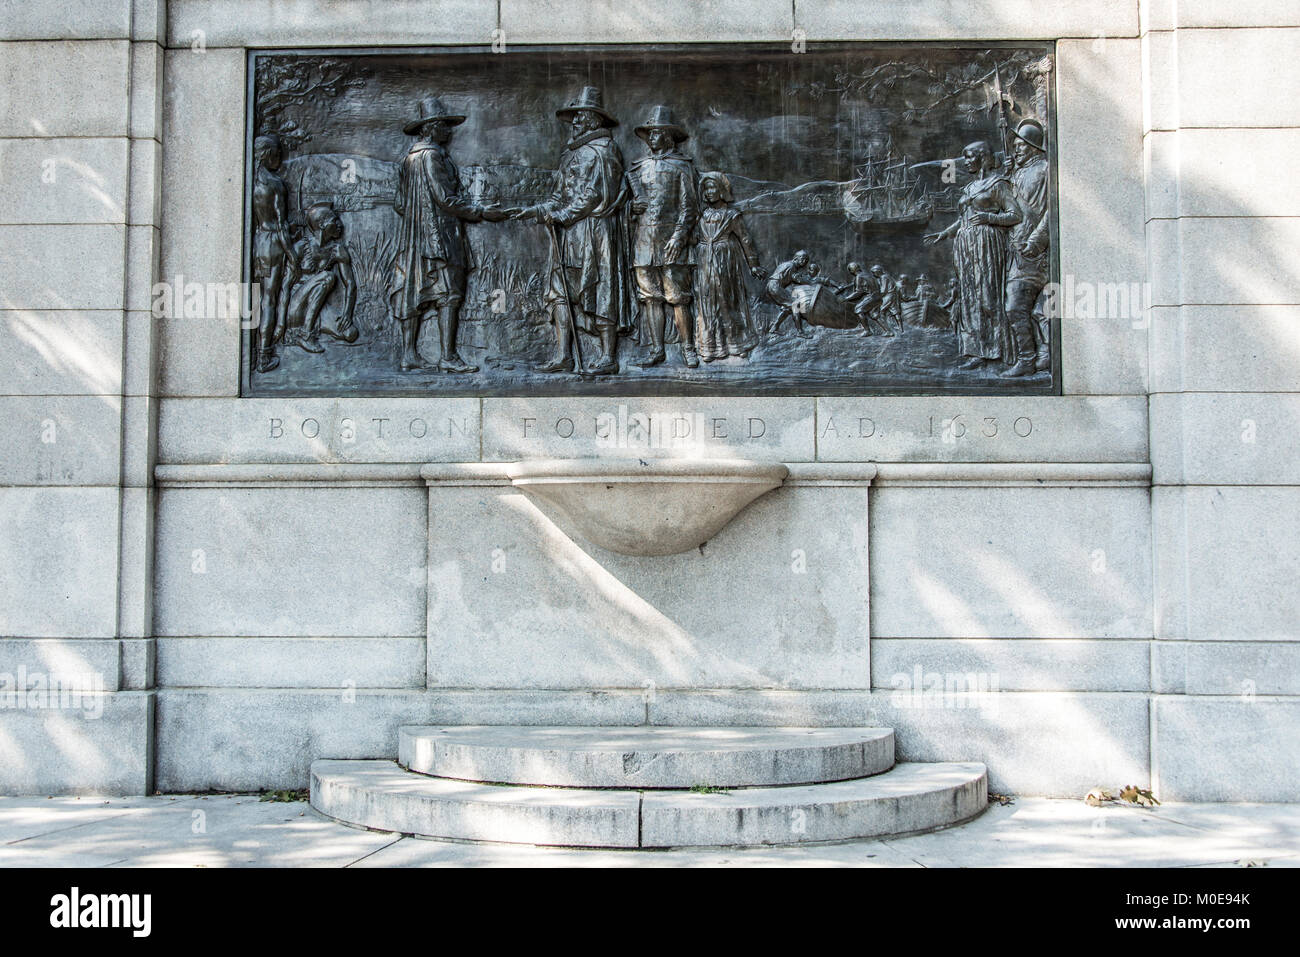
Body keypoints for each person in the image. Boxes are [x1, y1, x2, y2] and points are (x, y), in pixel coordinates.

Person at [516, 86, 633, 375]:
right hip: (569, 232)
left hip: (595, 231)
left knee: (602, 288)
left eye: (580, 117)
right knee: (560, 292)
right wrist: (540, 210)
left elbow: (592, 196)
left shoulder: (604, 151)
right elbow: (561, 194)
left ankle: (608, 357)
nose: (576, 123)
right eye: (575, 118)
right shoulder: (571, 154)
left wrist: (561, 214)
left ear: (594, 119)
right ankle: (562, 355)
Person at [389, 95, 508, 373]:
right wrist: (480, 211)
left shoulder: (409, 159)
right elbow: (446, 199)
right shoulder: (432, 156)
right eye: (444, 125)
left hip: (414, 238)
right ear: (430, 128)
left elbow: (399, 203)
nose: (449, 131)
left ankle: (409, 355)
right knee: (449, 295)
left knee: (412, 290)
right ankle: (447, 356)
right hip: (439, 237)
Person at [924, 140, 1022, 369]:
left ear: (983, 157)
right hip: (966, 246)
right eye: (965, 157)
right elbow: (964, 218)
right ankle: (976, 352)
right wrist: (945, 233)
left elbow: (1015, 215)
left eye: (970, 157)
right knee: (970, 299)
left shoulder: (998, 184)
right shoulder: (968, 188)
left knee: (988, 296)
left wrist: (991, 218)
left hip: (987, 245)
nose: (966, 161)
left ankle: (997, 351)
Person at [628, 105, 700, 368]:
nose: (651, 138)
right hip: (644, 242)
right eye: (649, 133)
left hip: (672, 243)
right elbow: (628, 209)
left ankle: (689, 348)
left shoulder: (682, 166)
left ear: (668, 136)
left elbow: (689, 206)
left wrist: (679, 238)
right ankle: (657, 349)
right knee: (650, 298)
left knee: (678, 296)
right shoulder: (637, 168)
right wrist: (631, 210)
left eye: (656, 133)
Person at [692, 171, 764, 361]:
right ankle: (710, 347)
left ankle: (737, 344)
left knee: (727, 303)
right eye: (705, 189)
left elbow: (745, 239)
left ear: (722, 190)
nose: (708, 192)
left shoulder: (731, 215)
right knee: (707, 305)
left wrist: (753, 264)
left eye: (712, 187)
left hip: (724, 262)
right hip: (704, 263)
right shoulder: (701, 215)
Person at [1003, 118, 1051, 377]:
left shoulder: (1044, 169)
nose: (1016, 148)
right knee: (1030, 309)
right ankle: (1042, 353)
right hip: (1014, 247)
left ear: (1033, 147)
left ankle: (1027, 359)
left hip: (1032, 250)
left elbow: (1051, 208)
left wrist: (1037, 239)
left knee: (1016, 307)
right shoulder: (1018, 172)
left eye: (1020, 145)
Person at [283, 202, 359, 350]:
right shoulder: (300, 247)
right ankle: (306, 334)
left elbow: (350, 284)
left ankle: (310, 327)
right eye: (334, 220)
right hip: (296, 306)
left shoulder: (338, 250)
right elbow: (285, 285)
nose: (340, 225)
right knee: (327, 277)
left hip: (319, 310)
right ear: (323, 224)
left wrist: (347, 314)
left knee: (351, 333)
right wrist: (280, 322)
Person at [250, 133, 296, 373]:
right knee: (270, 299)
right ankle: (264, 356)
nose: (280, 157)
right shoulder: (275, 184)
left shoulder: (250, 182)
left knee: (257, 298)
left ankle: (256, 352)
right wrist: (293, 256)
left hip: (259, 241)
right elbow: (281, 225)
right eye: (277, 153)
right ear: (267, 155)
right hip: (274, 244)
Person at [764, 250, 814, 338]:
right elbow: (798, 279)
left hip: (772, 286)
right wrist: (812, 283)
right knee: (796, 305)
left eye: (806, 260)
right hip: (775, 286)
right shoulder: (791, 267)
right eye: (802, 259)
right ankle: (800, 332)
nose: (804, 262)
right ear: (795, 258)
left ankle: (774, 328)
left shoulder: (786, 264)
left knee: (788, 308)